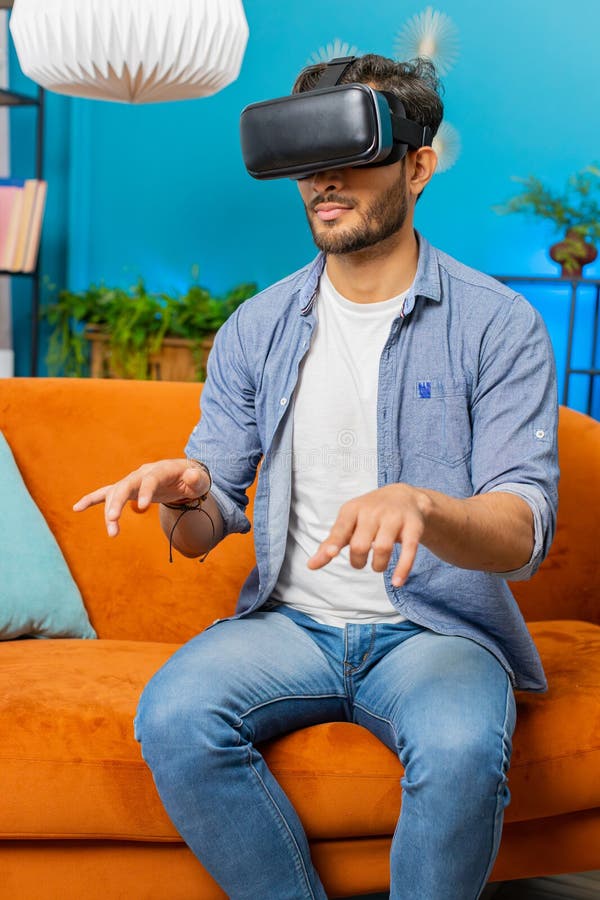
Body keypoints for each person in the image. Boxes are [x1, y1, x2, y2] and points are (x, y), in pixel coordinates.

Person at [74, 54, 559, 900]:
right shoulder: (256, 327)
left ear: (418, 166)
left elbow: (524, 531)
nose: (323, 182)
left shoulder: (498, 324)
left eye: (350, 156)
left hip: (436, 633)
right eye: (307, 159)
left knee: (460, 749)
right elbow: (205, 527)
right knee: (174, 716)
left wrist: (425, 507)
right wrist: (188, 496)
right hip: (289, 624)